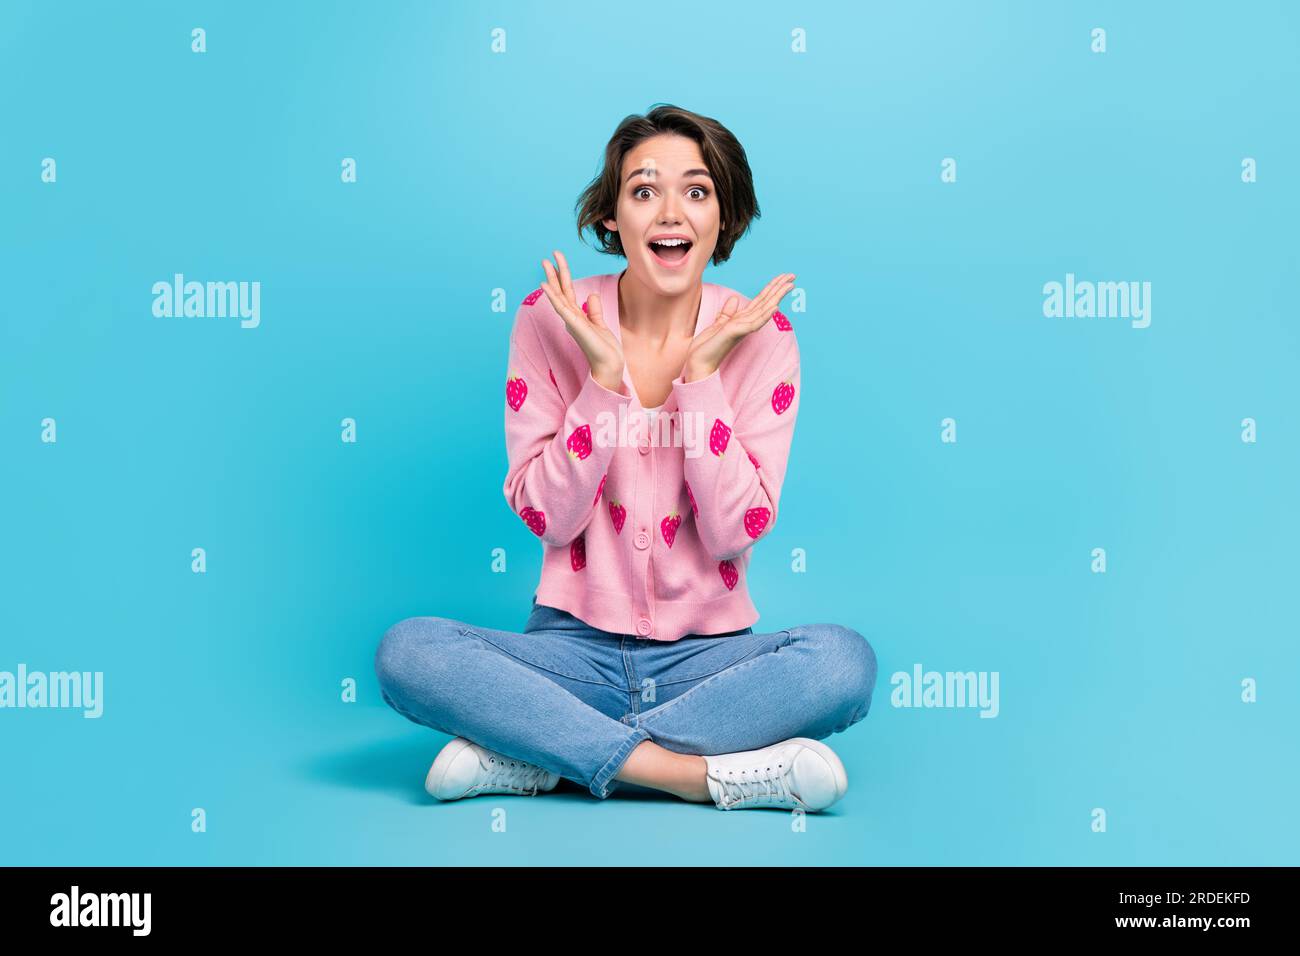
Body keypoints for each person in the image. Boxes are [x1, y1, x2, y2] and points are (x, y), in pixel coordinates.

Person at [375, 104, 877, 812]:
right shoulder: (551, 317)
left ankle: (542, 752)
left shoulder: (763, 336)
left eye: (696, 190)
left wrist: (702, 377)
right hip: (566, 654)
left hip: (706, 661)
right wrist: (602, 384)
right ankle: (696, 775)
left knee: (845, 663)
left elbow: (737, 530)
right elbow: (548, 516)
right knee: (408, 651)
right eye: (645, 190)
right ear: (612, 216)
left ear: (722, 214)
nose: (670, 212)